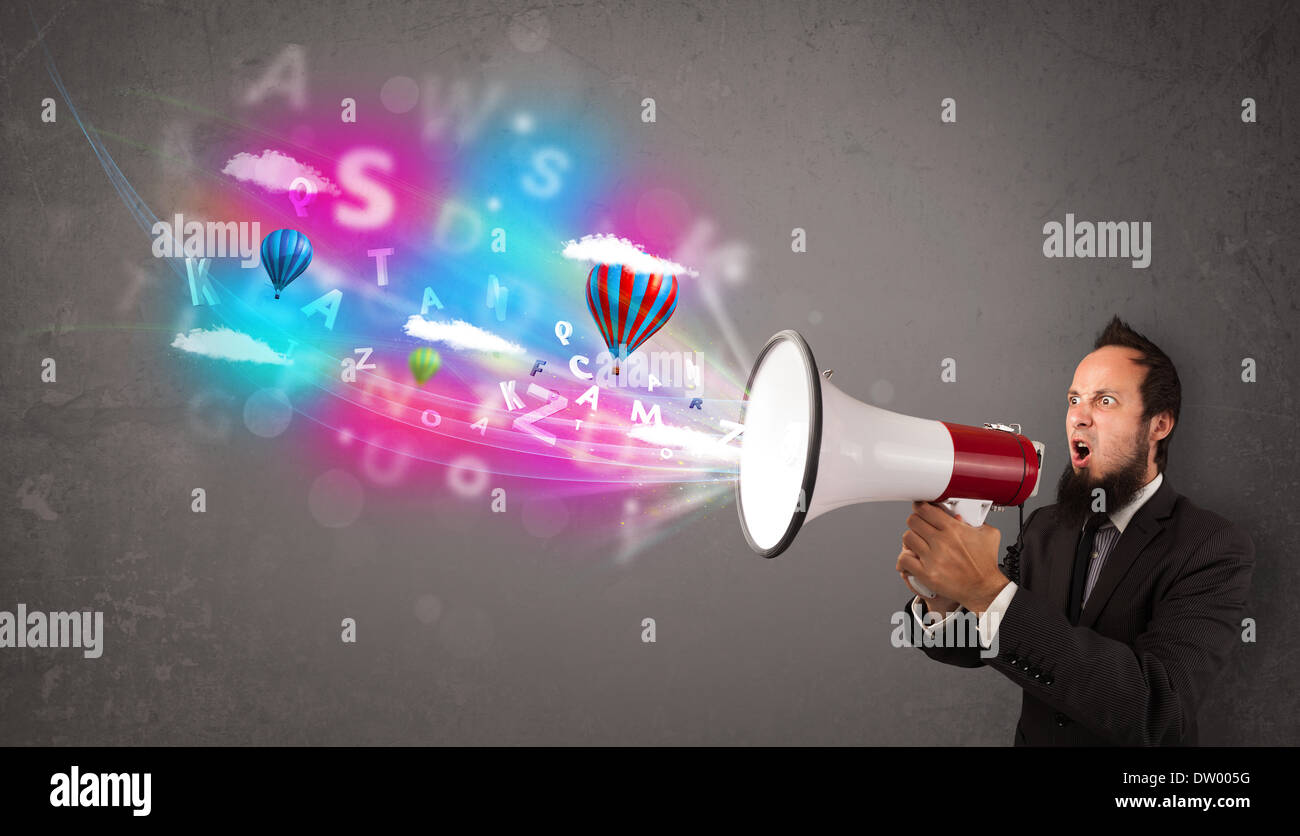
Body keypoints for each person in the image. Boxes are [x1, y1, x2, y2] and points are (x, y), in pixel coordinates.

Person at [896, 315, 1254, 745]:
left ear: (1159, 424)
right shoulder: (1045, 527)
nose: (1078, 418)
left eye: (1104, 402)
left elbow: (1158, 713)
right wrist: (944, 599)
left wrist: (988, 592)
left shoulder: (1210, 547)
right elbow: (977, 645)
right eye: (1073, 399)